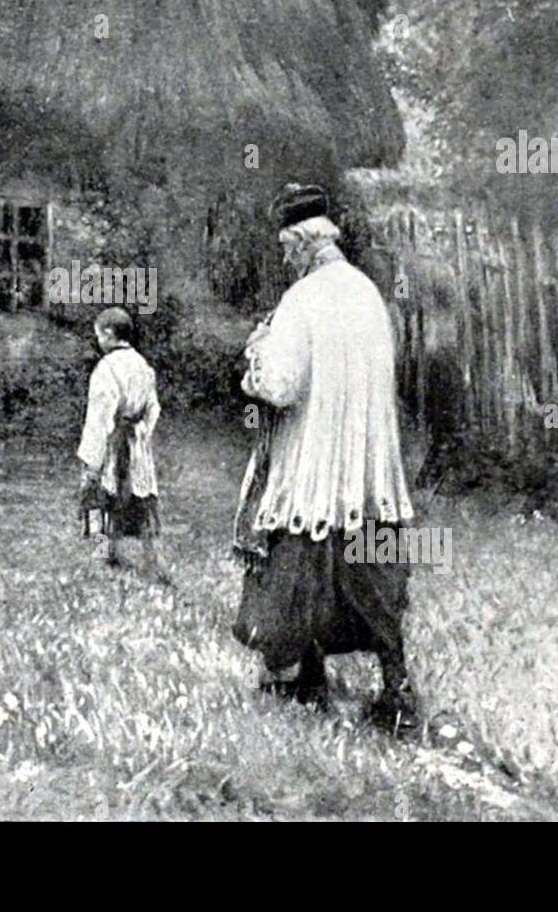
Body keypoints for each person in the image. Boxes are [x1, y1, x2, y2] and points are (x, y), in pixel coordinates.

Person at [232, 183, 418, 733]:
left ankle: (304, 680)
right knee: (368, 573)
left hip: (314, 460)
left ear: (304, 242)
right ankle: (396, 686)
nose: (286, 260)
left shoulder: (303, 300)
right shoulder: (365, 294)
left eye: (288, 249)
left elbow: (282, 385)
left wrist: (256, 354)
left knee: (301, 567)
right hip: (364, 461)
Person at [77, 307, 169, 583]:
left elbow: (99, 418)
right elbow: (154, 408)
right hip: (136, 443)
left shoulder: (106, 369)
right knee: (139, 497)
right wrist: (141, 434)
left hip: (115, 444)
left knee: (99, 499)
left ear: (108, 334)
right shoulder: (143, 366)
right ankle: (150, 562)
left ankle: (103, 558)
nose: (97, 341)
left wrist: (91, 460)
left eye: (98, 335)